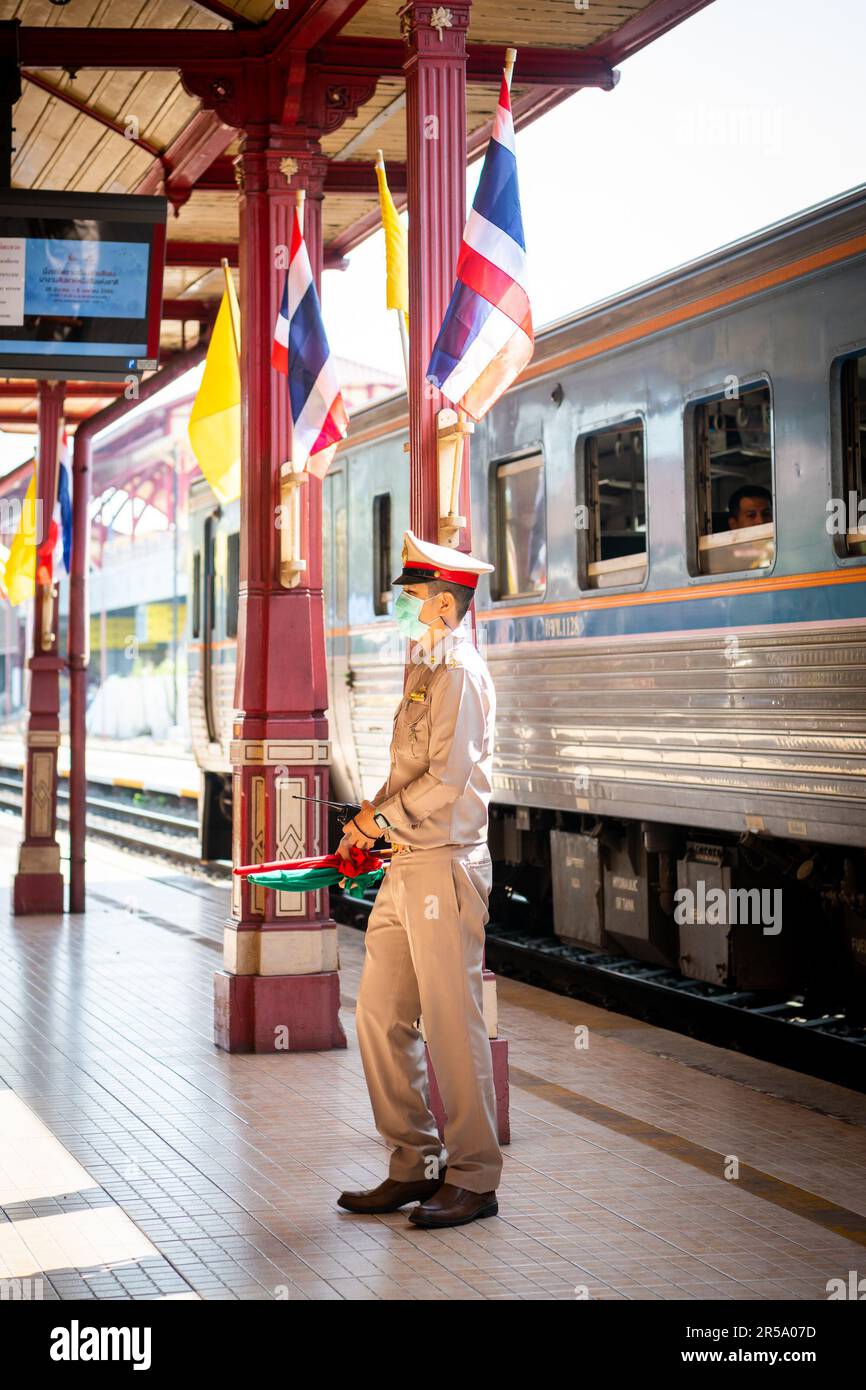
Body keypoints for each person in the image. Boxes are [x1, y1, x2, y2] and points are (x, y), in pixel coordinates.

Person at [336, 529, 501, 1230]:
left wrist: (379, 822)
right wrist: (370, 822)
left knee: (451, 1025)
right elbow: (407, 776)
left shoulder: (459, 673)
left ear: (442, 605)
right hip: (407, 862)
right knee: (379, 1013)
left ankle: (473, 1177)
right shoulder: (426, 670)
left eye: (408, 599)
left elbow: (446, 781)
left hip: (442, 863)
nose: (397, 608)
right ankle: (414, 1161)